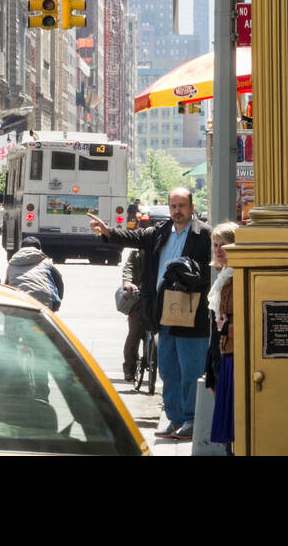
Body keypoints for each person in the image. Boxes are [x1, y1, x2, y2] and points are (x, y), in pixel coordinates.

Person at [89, 187, 211, 441]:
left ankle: (190, 420)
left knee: (190, 369)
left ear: (191, 206)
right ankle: (176, 420)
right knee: (168, 369)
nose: (177, 211)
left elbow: (212, 270)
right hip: (162, 310)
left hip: (191, 310)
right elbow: (133, 238)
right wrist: (109, 232)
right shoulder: (161, 232)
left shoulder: (204, 235)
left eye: (182, 206)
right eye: (173, 206)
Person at [205, 221, 238, 453]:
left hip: (233, 357)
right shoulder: (223, 277)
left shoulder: (236, 278)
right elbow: (216, 329)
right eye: (215, 245)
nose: (218, 250)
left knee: (234, 429)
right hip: (223, 356)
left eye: (224, 245)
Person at [4, 235, 64, 311]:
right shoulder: (46, 263)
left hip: (19, 303)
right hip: (45, 304)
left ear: (21, 248)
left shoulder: (12, 264)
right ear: (40, 249)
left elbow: (6, 287)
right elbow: (59, 282)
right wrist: (59, 300)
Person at [121, 243, 145, 384]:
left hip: (157, 298)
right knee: (134, 333)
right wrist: (128, 283)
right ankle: (129, 369)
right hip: (138, 297)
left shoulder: (164, 249)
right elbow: (128, 269)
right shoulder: (136, 253)